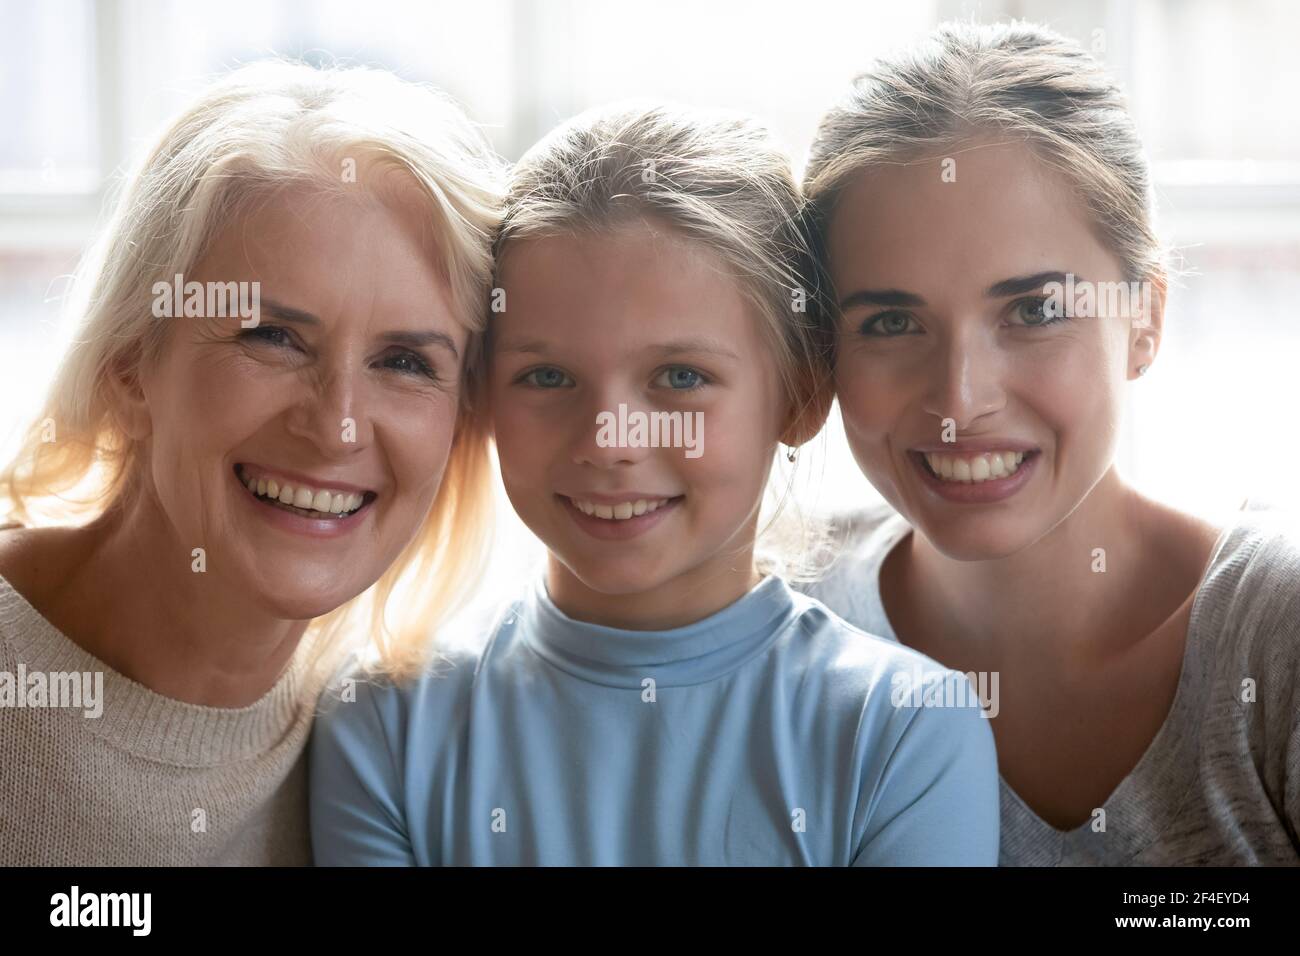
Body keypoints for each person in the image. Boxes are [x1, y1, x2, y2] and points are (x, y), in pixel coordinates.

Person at [309, 103, 999, 865]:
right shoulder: (384, 724)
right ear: (481, 396)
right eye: (546, 376)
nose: (610, 441)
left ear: (800, 399)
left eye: (679, 377)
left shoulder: (901, 732)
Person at [798, 20, 1300, 865]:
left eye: (1034, 311)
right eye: (891, 321)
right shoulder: (780, 624)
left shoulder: (1276, 637)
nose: (959, 398)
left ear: (1145, 318)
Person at [0, 61, 501, 865]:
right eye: (271, 336)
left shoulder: (392, 747)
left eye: (405, 360)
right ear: (130, 366)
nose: (337, 426)